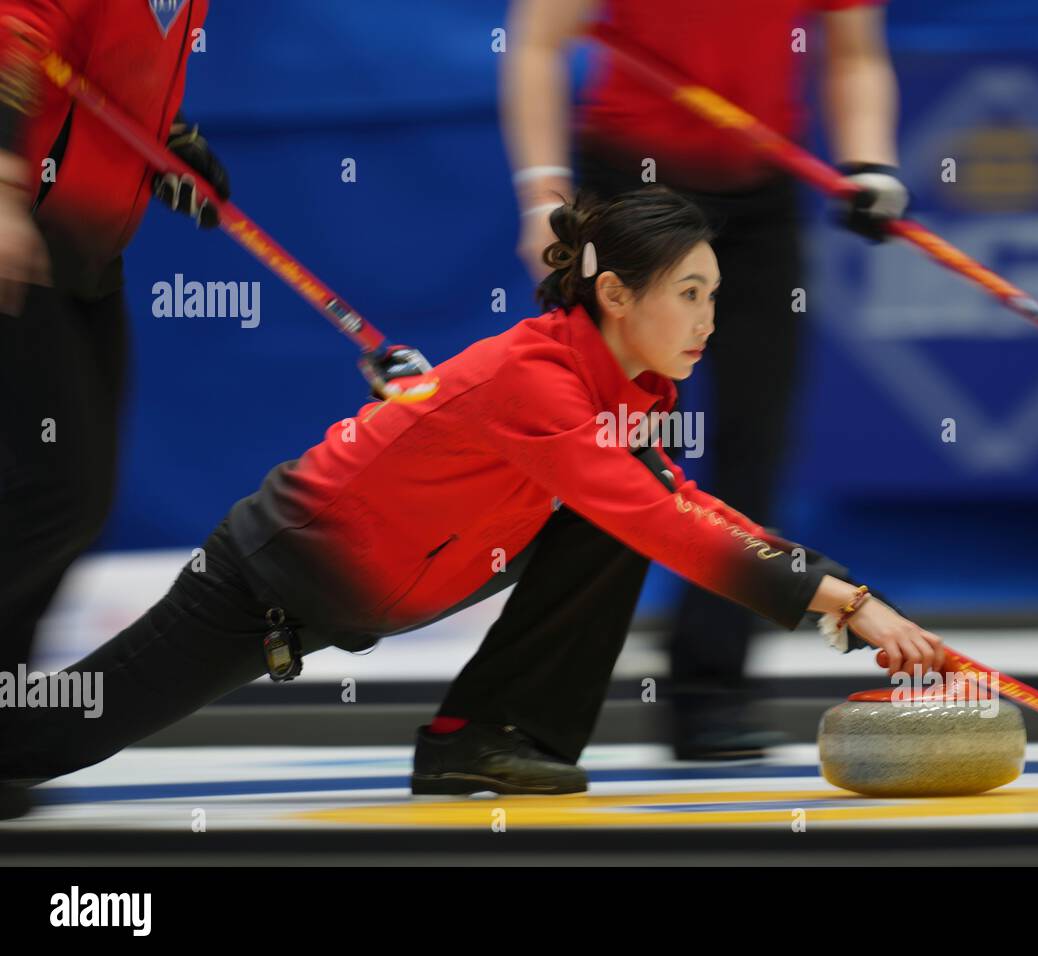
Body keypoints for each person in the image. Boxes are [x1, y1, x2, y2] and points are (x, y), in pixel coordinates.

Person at [0, 187, 944, 804]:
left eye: (716, 294)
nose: (709, 317)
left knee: (626, 517)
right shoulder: (536, 383)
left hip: (387, 583)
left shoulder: (626, 389)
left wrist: (838, 586)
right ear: (615, 294)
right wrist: (846, 604)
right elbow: (666, 521)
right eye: (691, 293)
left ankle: (484, 736)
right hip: (271, 579)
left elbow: (677, 506)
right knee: (48, 741)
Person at [502, 0, 908, 758]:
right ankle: (523, 711)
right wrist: (543, 196)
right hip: (632, 194)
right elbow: (537, 41)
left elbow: (855, 54)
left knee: (755, 446)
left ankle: (708, 696)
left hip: (761, 196)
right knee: (599, 457)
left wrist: (869, 161)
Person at [0, 1, 229, 818]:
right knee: (52, 495)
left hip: (89, 254)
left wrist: (163, 149)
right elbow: (12, 36)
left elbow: (105, 81)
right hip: (22, 243)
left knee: (73, 501)